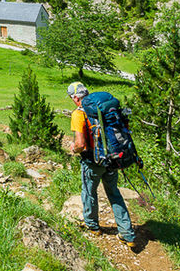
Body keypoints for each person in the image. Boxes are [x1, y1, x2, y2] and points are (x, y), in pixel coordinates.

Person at [67, 81, 137, 250]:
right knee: (114, 193)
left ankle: (93, 226)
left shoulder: (79, 113)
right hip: (113, 159)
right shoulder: (101, 108)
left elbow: (80, 143)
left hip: (93, 161)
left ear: (75, 97)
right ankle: (127, 234)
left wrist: (74, 149)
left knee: (89, 192)